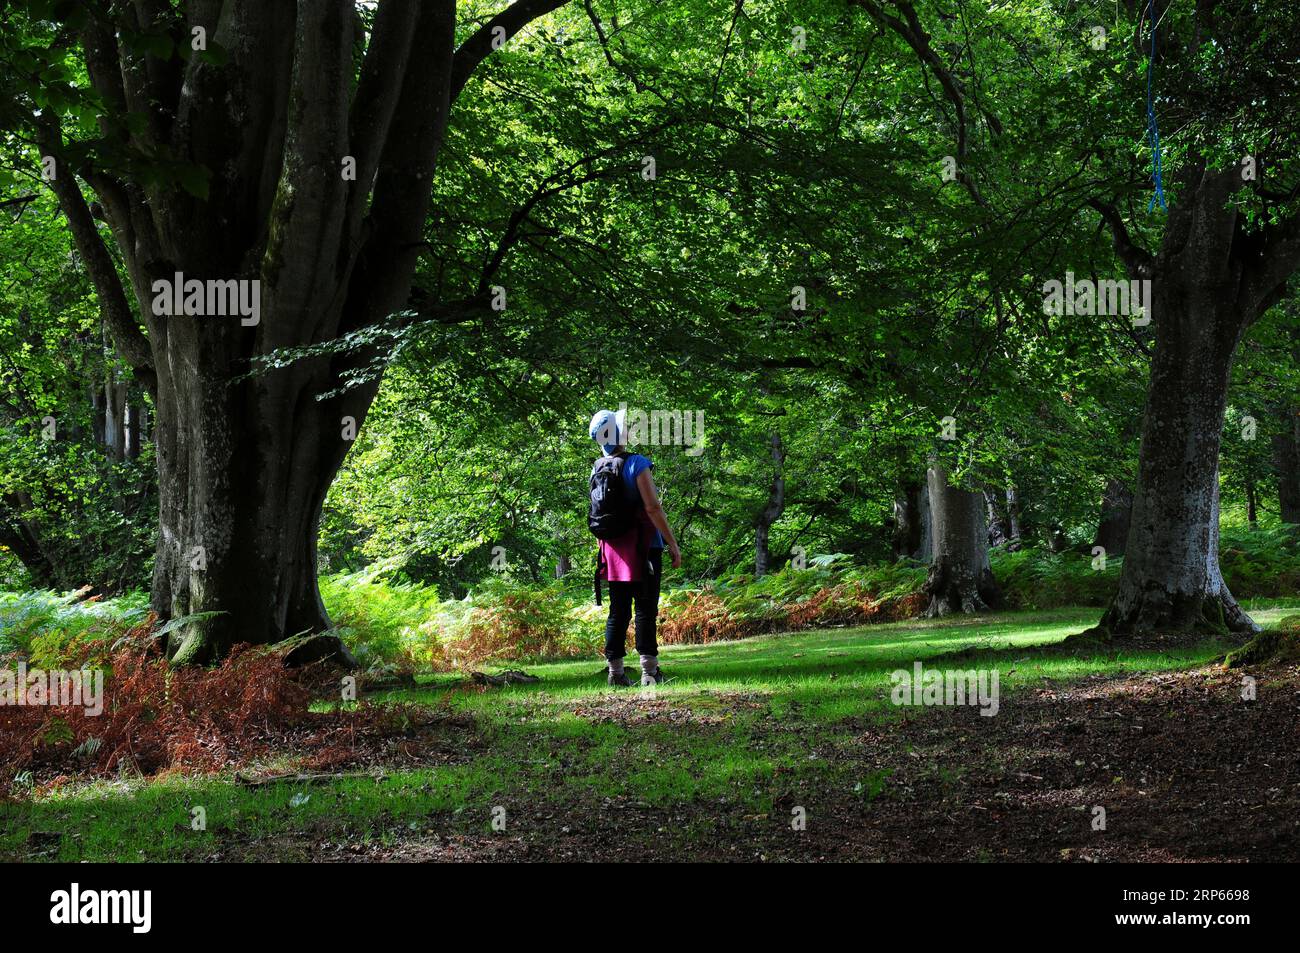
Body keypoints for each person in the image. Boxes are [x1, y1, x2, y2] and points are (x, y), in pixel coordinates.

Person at [588, 409, 682, 687]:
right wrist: (672, 544)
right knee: (644, 609)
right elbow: (653, 507)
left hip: (613, 551)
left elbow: (597, 514)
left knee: (618, 611)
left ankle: (615, 674)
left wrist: (604, 551)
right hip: (643, 548)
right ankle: (649, 673)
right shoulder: (637, 463)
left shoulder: (597, 468)